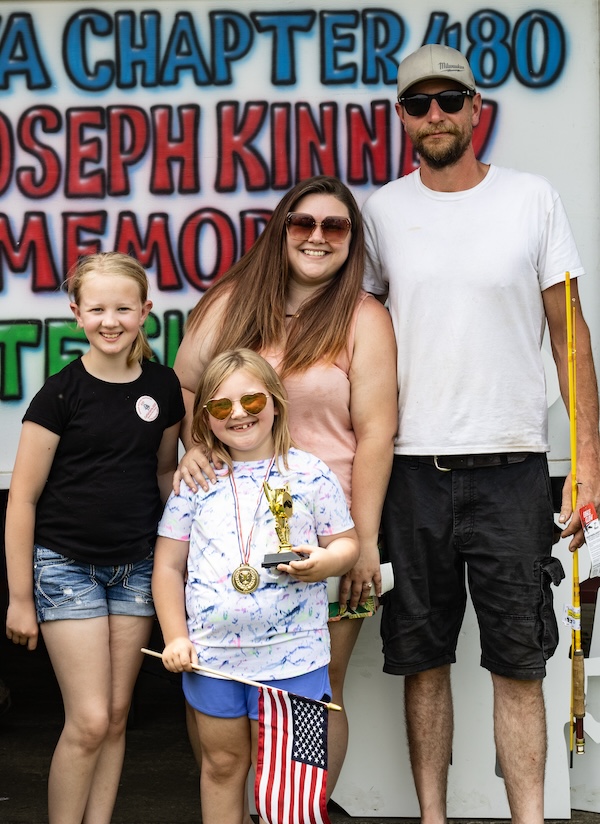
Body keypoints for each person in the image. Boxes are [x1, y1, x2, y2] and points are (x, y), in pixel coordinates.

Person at [361, 43, 600, 824]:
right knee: (422, 661)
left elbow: (570, 336)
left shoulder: (531, 199)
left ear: (475, 109)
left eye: (449, 100)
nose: (435, 114)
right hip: (410, 469)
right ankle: (433, 818)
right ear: (402, 118)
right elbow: (356, 335)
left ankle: (527, 819)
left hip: (513, 469)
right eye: (418, 103)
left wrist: (587, 462)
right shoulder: (381, 211)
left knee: (519, 663)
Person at [173, 175, 398, 794]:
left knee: (318, 692)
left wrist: (363, 544)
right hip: (225, 532)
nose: (317, 237)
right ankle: (236, 806)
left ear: (352, 240)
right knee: (213, 681)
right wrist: (197, 445)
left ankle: (298, 809)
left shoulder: (364, 317)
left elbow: (376, 433)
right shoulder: (231, 303)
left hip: (329, 536)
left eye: (335, 226)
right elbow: (184, 385)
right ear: (281, 229)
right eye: (303, 222)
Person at [4, 252, 185, 824]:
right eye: (98, 309)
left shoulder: (163, 386)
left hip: (136, 567)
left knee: (116, 714)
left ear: (145, 311)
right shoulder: (60, 394)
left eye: (124, 309)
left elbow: (163, 472)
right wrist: (20, 598)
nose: (111, 321)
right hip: (66, 567)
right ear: (77, 313)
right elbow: (22, 500)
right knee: (87, 719)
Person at [152, 348, 359, 823]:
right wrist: (176, 637)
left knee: (297, 783)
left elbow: (346, 544)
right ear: (205, 417)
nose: (239, 413)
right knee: (222, 767)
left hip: (299, 660)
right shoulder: (194, 481)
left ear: (276, 402)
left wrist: (327, 563)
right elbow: (166, 567)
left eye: (252, 400)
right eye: (222, 406)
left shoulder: (311, 473)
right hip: (213, 660)